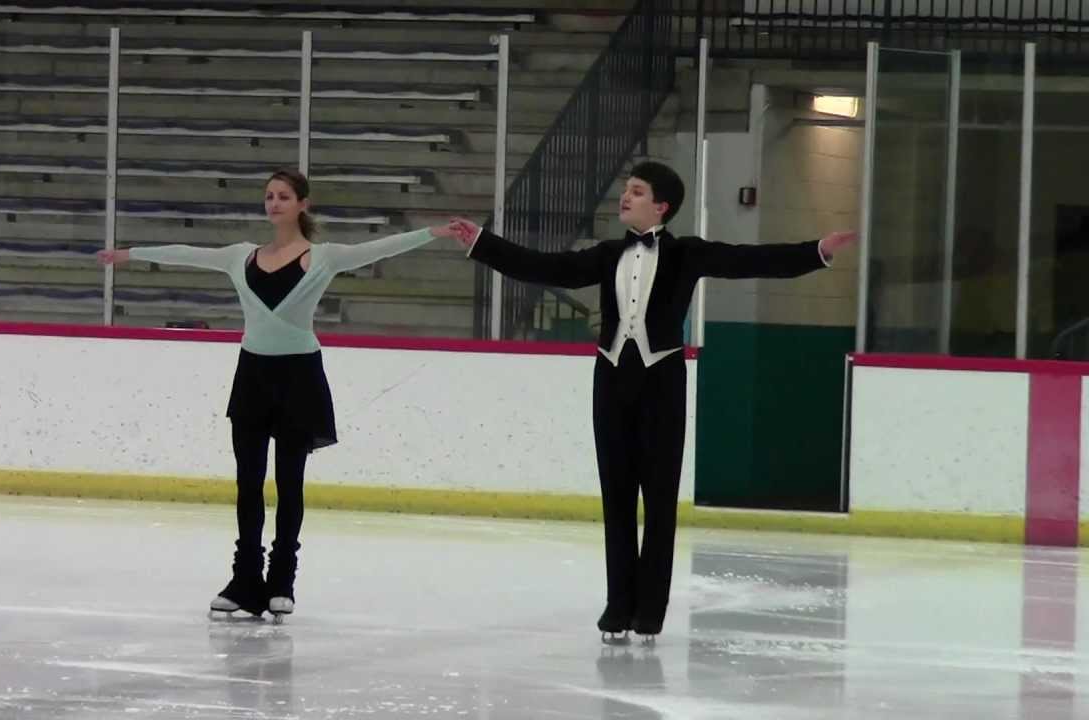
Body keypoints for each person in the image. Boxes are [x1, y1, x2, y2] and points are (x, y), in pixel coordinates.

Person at [447, 161, 857, 643]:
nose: (625, 196)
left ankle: (651, 610)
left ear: (661, 205)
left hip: (662, 380)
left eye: (636, 191)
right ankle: (618, 605)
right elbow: (546, 266)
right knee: (616, 497)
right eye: (625, 189)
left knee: (659, 501)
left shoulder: (687, 254)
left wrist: (817, 252)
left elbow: (750, 259)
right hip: (612, 379)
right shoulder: (604, 255)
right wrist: (482, 243)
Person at [99, 169, 457, 623]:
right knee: (248, 482)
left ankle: (281, 579)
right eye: (269, 196)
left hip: (299, 378)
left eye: (283, 196)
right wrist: (130, 254)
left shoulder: (324, 257)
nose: (274, 203)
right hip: (252, 376)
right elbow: (187, 254)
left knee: (289, 482)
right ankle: (244, 579)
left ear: (302, 204)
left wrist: (436, 232)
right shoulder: (239, 257)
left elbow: (380, 247)